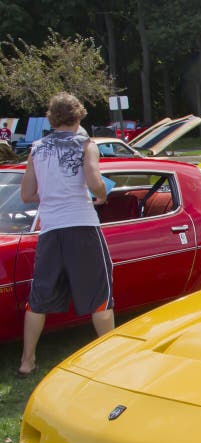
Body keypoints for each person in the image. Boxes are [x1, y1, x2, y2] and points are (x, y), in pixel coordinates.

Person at [17, 92, 114, 377]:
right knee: (100, 295)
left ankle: (27, 362)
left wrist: (51, 193)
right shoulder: (86, 144)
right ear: (78, 116)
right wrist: (101, 196)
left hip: (50, 229)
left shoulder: (36, 148)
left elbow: (26, 195)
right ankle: (110, 358)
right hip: (82, 224)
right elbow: (95, 182)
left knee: (38, 298)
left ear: (52, 117)